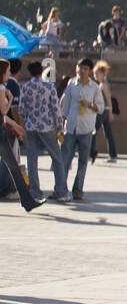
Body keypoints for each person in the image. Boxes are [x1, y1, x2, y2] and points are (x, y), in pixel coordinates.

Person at [19, 61, 69, 202]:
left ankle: (35, 193)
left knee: (32, 160)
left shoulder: (26, 87)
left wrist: (26, 121)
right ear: (41, 71)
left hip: (31, 126)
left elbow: (22, 109)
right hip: (47, 126)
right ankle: (61, 191)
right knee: (57, 158)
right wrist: (59, 127)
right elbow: (55, 109)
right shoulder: (49, 86)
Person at [0, 60, 44, 211]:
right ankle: (28, 201)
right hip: (1, 135)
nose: (9, 73)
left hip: (2, 132)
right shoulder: (1, 88)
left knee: (14, 168)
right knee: (13, 168)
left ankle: (28, 201)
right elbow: (3, 112)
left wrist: (15, 126)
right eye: (7, 71)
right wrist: (10, 98)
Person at [59, 56, 104, 201]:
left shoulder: (95, 87)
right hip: (71, 127)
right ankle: (60, 188)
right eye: (80, 68)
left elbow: (101, 108)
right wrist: (62, 123)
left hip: (86, 128)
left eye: (85, 69)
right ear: (76, 69)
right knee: (65, 159)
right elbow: (65, 105)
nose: (82, 71)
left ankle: (78, 189)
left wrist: (89, 104)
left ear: (90, 71)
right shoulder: (71, 84)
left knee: (83, 161)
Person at [90, 60, 118, 163]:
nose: (95, 75)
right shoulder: (104, 84)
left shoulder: (103, 85)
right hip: (105, 111)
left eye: (96, 73)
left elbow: (108, 99)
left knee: (92, 131)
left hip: (102, 111)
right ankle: (112, 155)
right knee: (108, 133)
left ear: (102, 73)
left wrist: (110, 111)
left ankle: (91, 151)